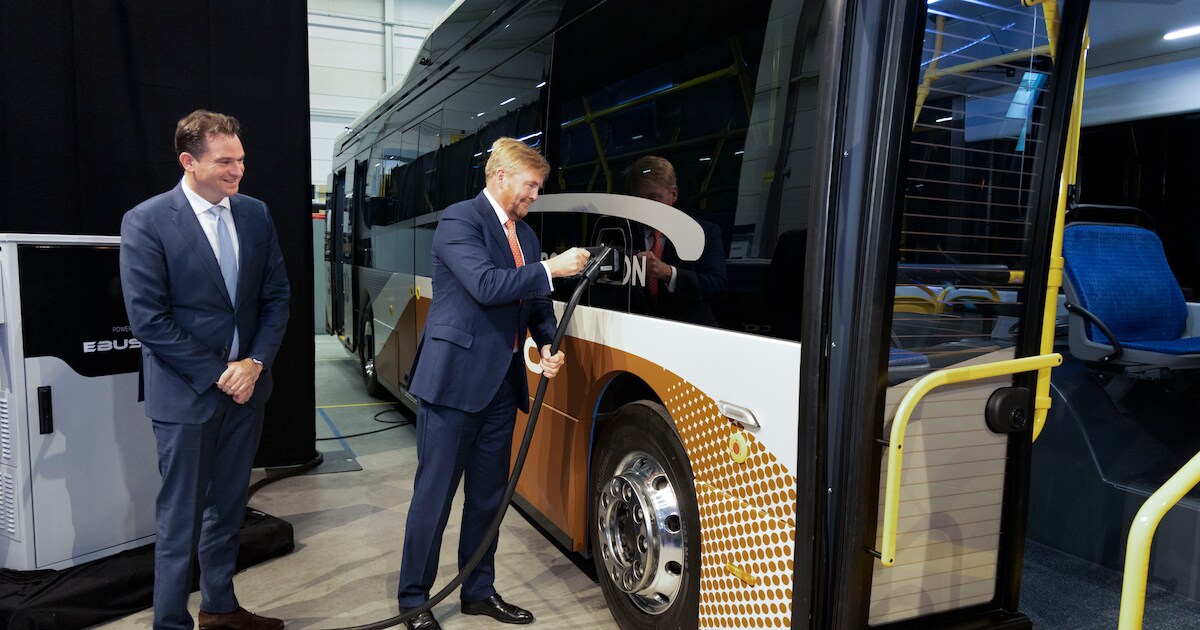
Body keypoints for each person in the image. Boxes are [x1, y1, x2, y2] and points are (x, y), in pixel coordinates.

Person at [396, 137, 589, 630]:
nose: (535, 196)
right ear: (500, 176)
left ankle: (478, 591)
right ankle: (414, 601)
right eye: (531, 185)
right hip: (454, 384)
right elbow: (485, 286)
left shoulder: (525, 235)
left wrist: (547, 344)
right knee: (435, 498)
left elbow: (537, 304)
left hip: (502, 386)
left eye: (539, 187)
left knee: (487, 498)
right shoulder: (460, 221)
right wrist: (550, 268)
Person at [120, 110, 290, 630]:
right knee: (180, 518)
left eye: (240, 159)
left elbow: (276, 298)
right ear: (188, 161)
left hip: (247, 392)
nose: (238, 170)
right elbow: (149, 320)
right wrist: (222, 373)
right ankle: (171, 622)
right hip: (187, 395)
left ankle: (219, 608)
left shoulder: (255, 214)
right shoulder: (147, 221)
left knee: (228, 508)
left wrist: (254, 364)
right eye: (225, 161)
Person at [626, 155, 728, 327]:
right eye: (638, 200)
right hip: (632, 332)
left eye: (653, 199)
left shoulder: (704, 233)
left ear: (673, 194)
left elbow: (718, 288)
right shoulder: (623, 233)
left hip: (690, 333)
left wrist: (668, 273)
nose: (644, 207)